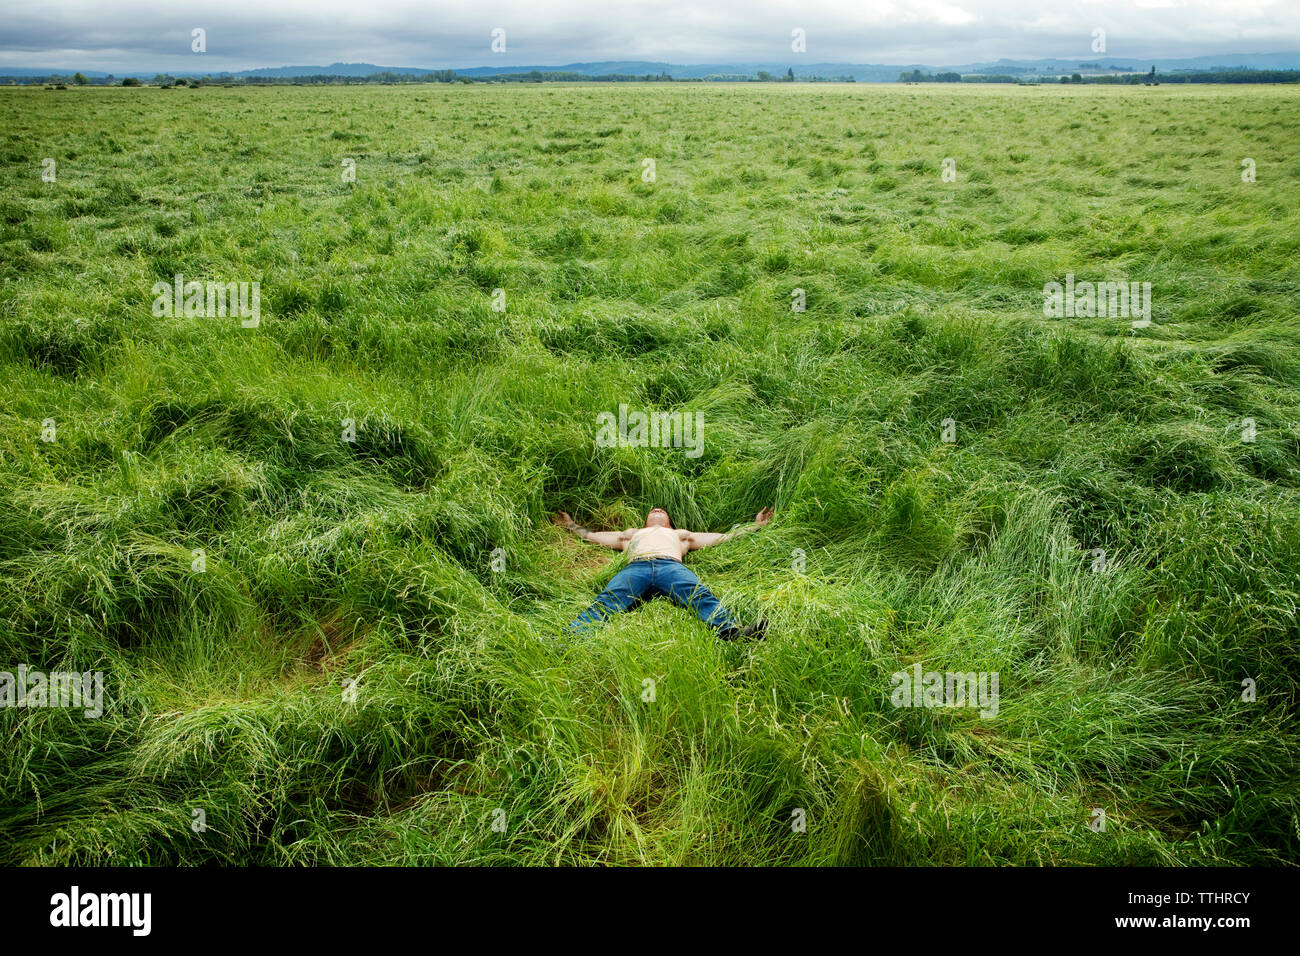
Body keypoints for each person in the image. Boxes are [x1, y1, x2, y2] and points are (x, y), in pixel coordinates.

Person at [553, 506, 773, 639]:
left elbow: (723, 537)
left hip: (671, 567)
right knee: (608, 599)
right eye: (653, 510)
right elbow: (591, 536)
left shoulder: (681, 534)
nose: (657, 510)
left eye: (662, 510)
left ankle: (731, 631)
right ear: (645, 520)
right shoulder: (631, 534)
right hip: (636, 567)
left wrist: (754, 527)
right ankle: (573, 636)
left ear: (669, 520)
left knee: (699, 594)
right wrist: (571, 525)